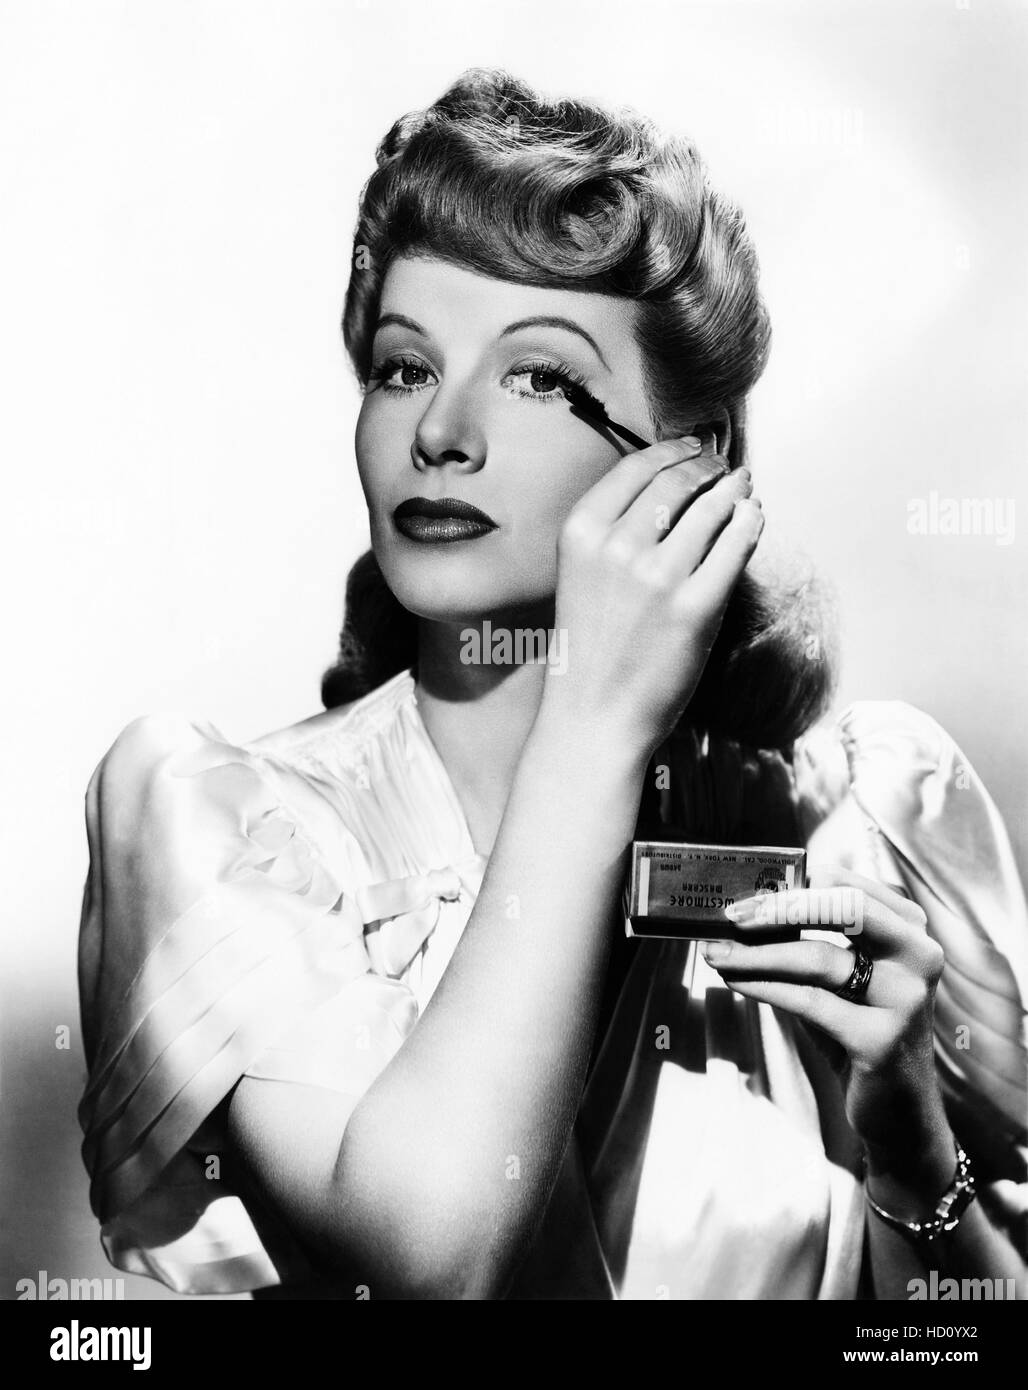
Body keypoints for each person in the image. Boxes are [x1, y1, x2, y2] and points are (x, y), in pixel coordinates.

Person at [77, 68, 1027, 1300]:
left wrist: (911, 1156)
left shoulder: (857, 821)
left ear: (697, 461)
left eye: (534, 376)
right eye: (402, 366)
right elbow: (434, 1257)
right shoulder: (222, 823)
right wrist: (591, 718)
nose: (438, 433)